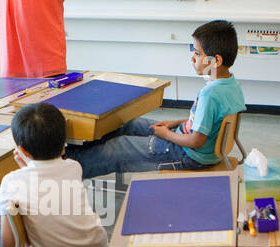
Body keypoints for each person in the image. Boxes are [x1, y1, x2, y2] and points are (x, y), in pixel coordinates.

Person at [72, 20, 245, 178]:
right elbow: (208, 122)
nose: (193, 58)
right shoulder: (231, 85)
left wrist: (167, 134)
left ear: (216, 61)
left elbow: (196, 140)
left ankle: (69, 168)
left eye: (198, 54)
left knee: (119, 146)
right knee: (130, 125)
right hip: (193, 146)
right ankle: (79, 154)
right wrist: (174, 123)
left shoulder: (211, 94)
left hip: (187, 155)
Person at [0, 102, 107, 247]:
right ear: (63, 144)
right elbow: (47, 182)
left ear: (21, 151)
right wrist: (29, 166)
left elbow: (8, 242)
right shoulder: (74, 167)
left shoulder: (11, 183)